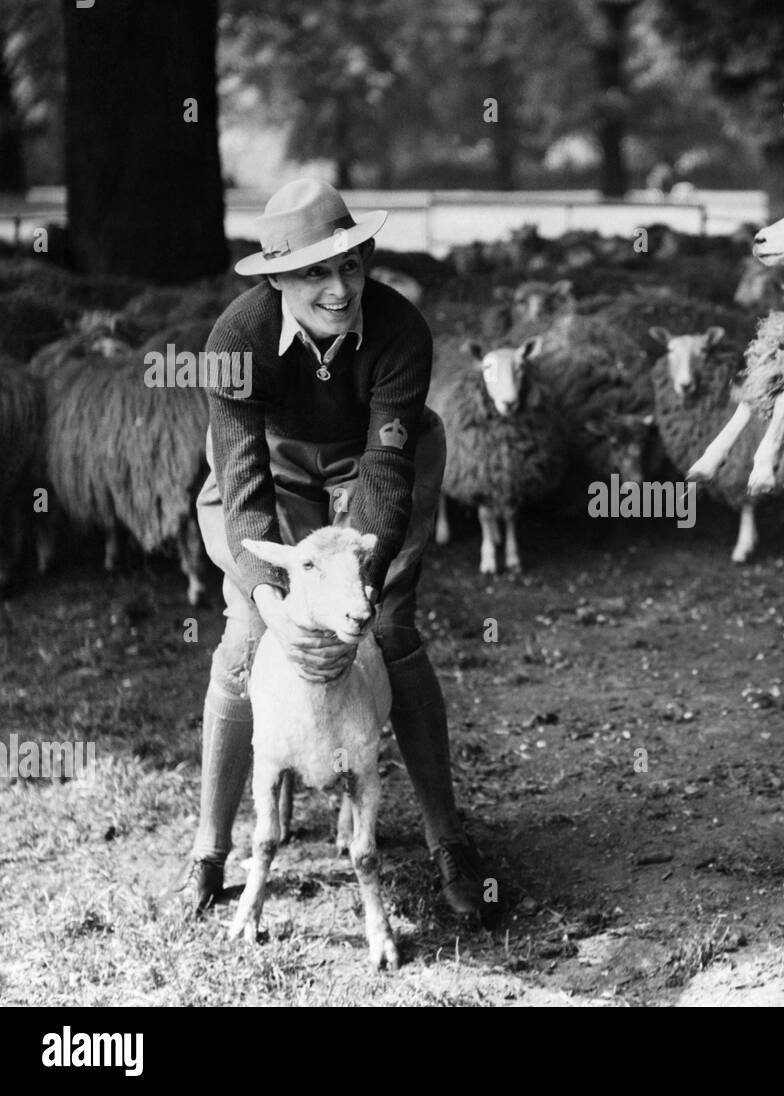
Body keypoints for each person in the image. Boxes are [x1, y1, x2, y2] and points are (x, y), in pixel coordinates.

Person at [184, 178, 499, 923]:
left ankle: (445, 837)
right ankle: (209, 846)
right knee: (247, 636)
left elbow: (387, 474)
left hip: (371, 470)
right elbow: (241, 476)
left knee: (386, 629)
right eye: (314, 273)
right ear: (276, 278)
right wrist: (275, 600)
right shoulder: (235, 339)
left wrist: (356, 585)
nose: (339, 287)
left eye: (350, 265)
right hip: (274, 468)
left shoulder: (400, 331)